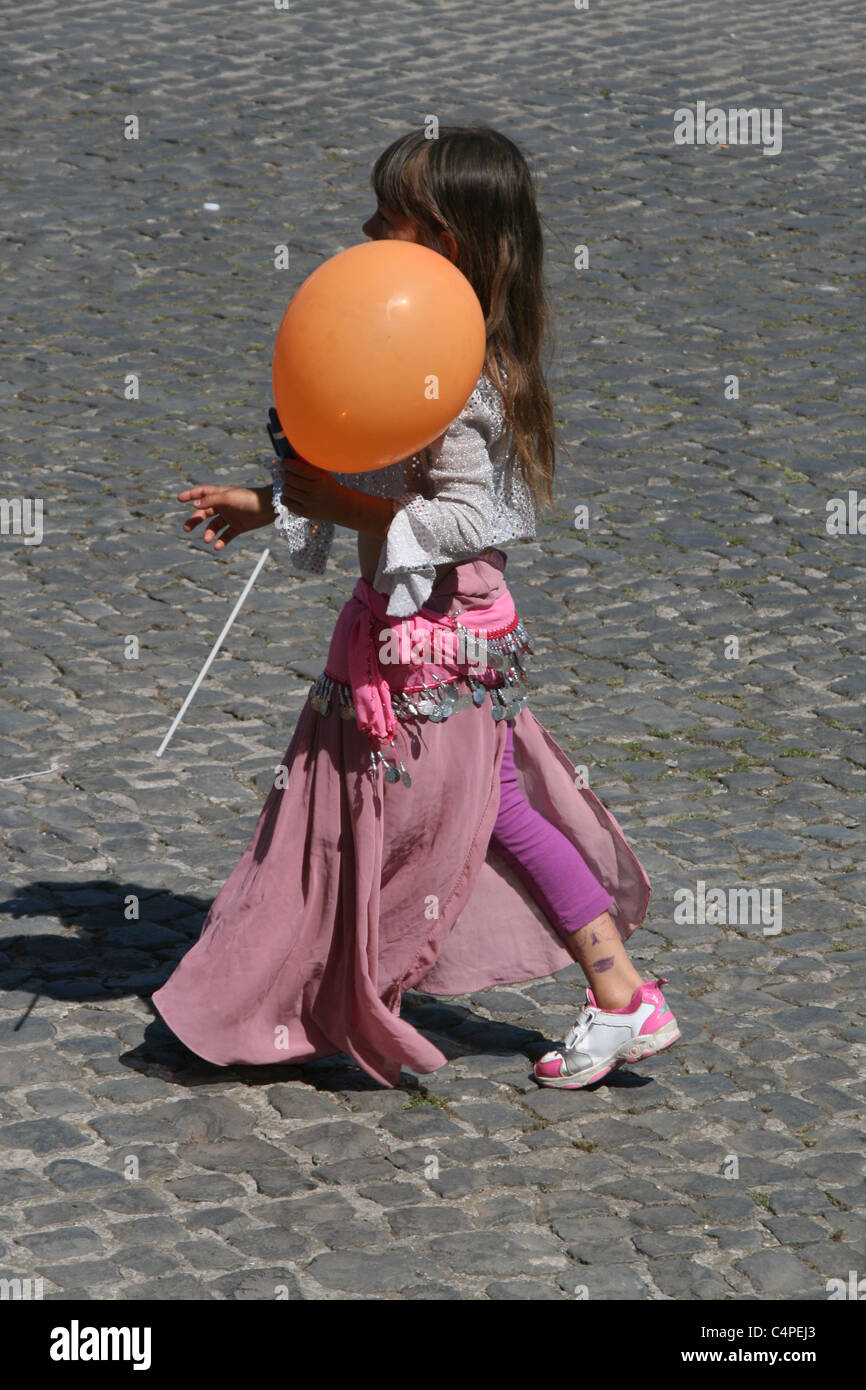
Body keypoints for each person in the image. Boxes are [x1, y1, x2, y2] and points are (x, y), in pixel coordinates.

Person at [152, 126, 680, 1091]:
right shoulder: (410, 353)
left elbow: (467, 515)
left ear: (446, 242)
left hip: (439, 637)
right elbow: (365, 468)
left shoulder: (463, 378)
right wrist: (267, 500)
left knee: (427, 812)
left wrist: (338, 507)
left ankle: (327, 992)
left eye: (386, 216)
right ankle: (613, 997)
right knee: (484, 809)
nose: (362, 229)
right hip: (403, 624)